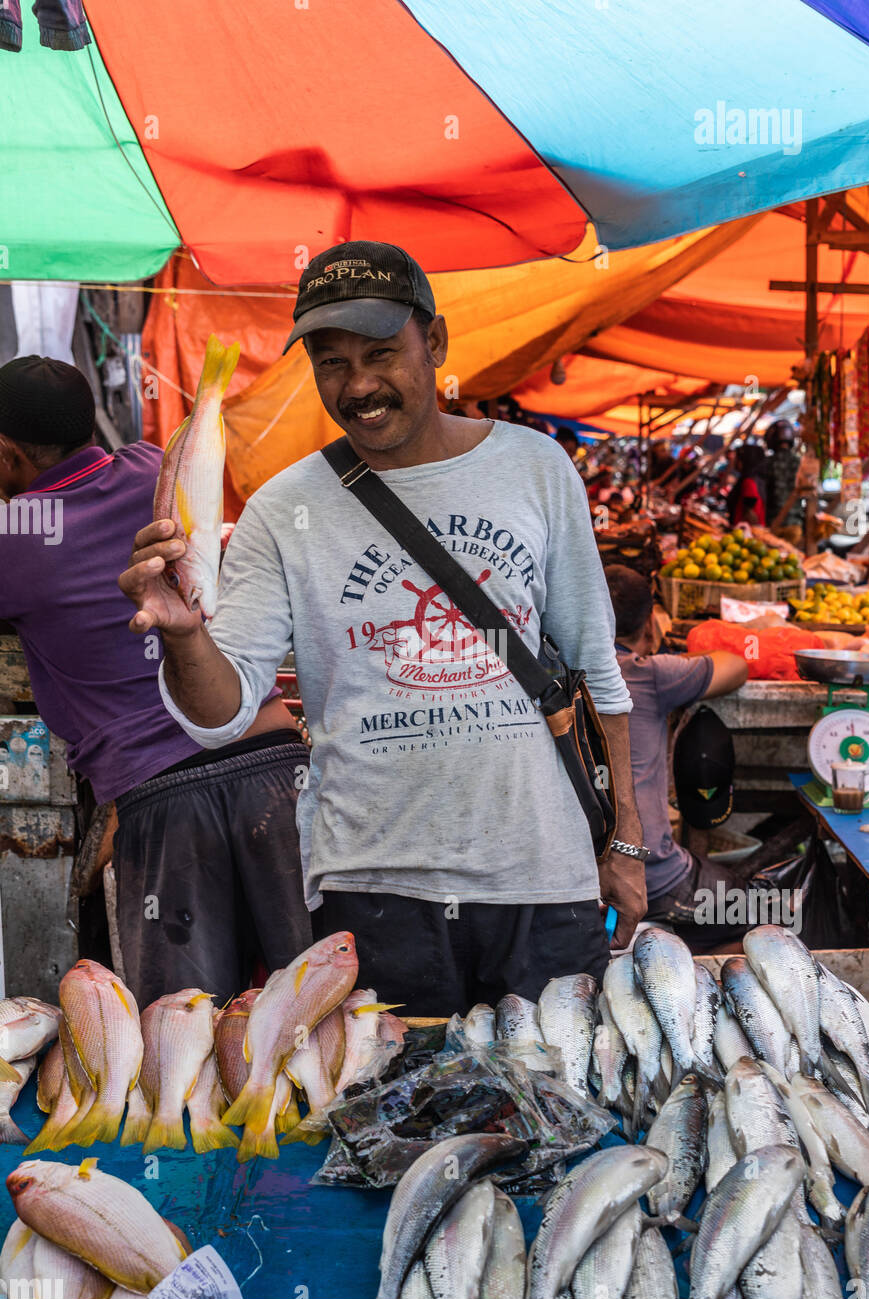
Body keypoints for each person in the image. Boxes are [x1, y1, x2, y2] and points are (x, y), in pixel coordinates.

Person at [119, 239, 650, 1014]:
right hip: (371, 892)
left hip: (540, 876)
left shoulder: (535, 469)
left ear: (433, 342)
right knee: (390, 1094)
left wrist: (625, 840)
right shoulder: (282, 509)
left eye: (380, 354)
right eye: (331, 362)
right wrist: (182, 634)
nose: (359, 385)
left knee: (552, 1088)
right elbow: (220, 715)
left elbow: (594, 667)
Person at [0, 356, 312, 1007]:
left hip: (166, 799)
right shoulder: (151, 467)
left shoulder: (14, 538)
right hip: (279, 767)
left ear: (7, 454)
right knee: (317, 1009)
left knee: (186, 1026)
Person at [605, 565, 753, 949]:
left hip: (579, 877)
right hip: (648, 876)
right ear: (649, 624)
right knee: (765, 917)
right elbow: (737, 666)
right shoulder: (650, 673)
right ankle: (692, 964)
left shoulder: (556, 668)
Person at [726, 441, 769, 527]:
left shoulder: (749, 481)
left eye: (738, 459)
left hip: (744, 530)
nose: (735, 461)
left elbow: (750, 514)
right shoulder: (757, 479)